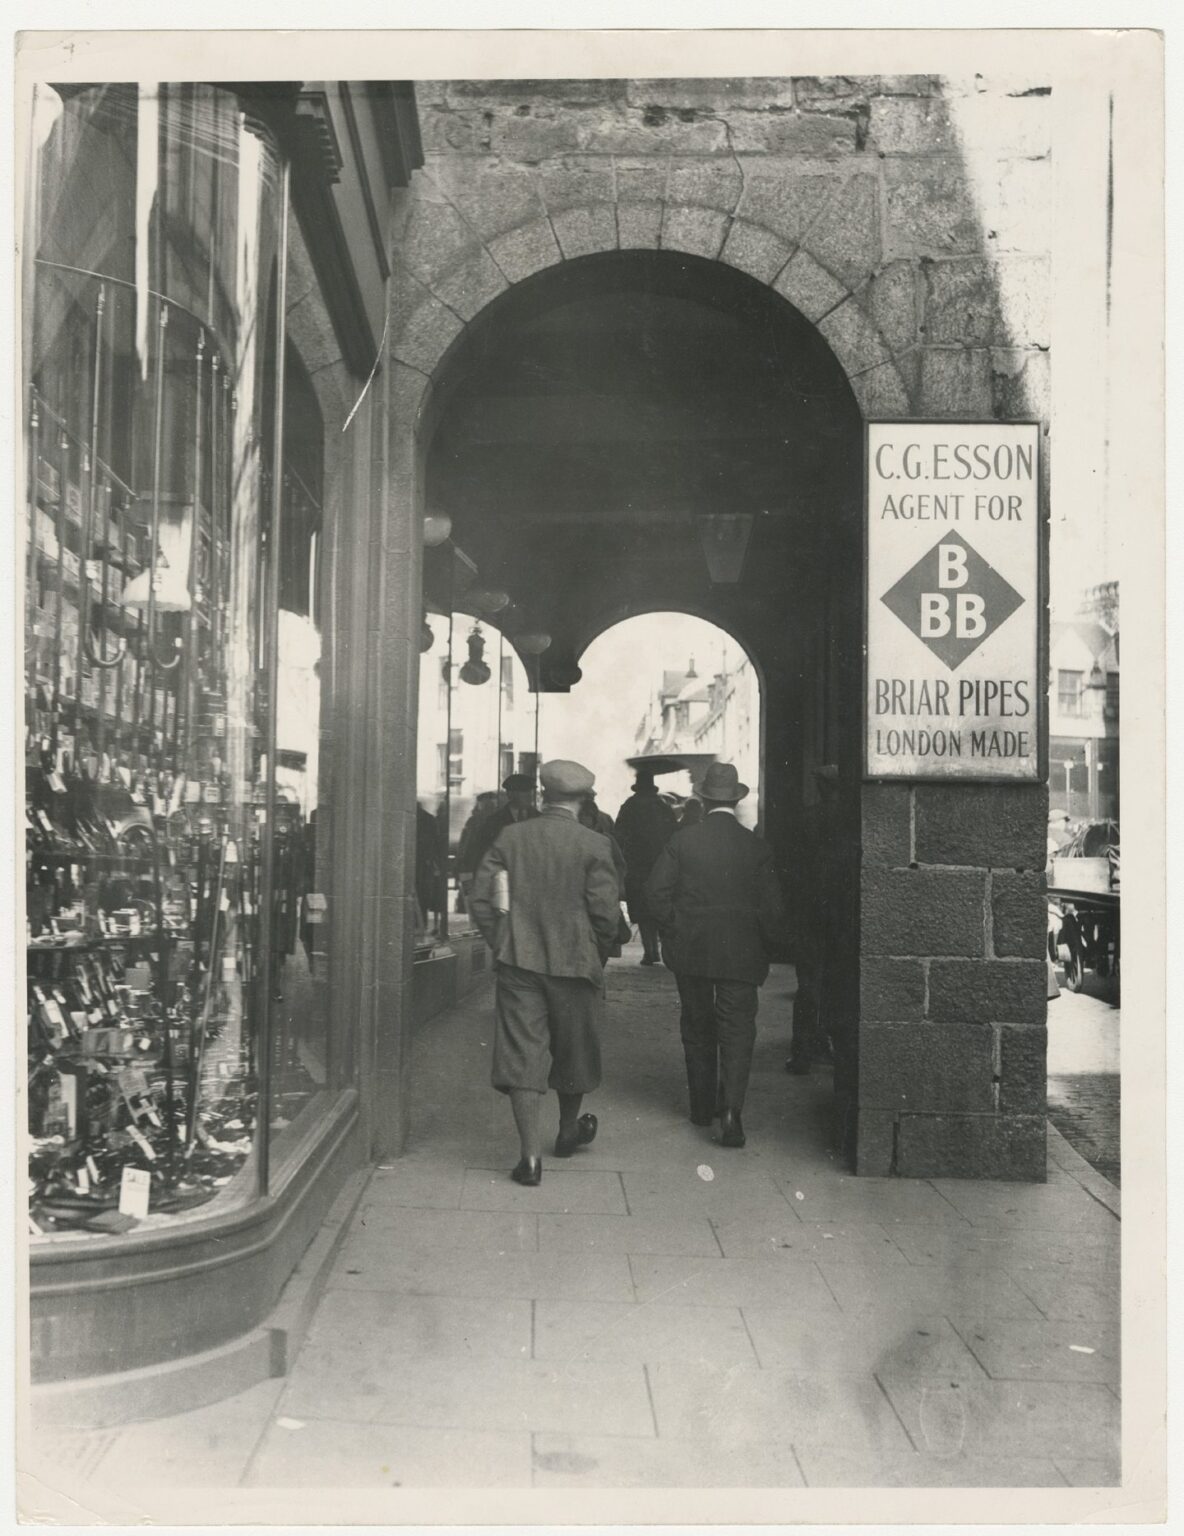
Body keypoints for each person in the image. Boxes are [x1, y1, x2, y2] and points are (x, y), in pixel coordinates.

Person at [469, 759, 622, 1186]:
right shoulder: (594, 844)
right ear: (584, 800)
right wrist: (595, 952)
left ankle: (530, 1159)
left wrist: (504, 940)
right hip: (575, 964)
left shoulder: (511, 837)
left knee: (523, 1054)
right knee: (574, 1048)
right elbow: (606, 915)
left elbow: (482, 900)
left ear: (543, 795)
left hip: (519, 962)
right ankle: (568, 1129)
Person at [645, 762, 785, 1148]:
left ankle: (700, 1106)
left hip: (692, 950)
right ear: (735, 801)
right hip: (742, 953)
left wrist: (677, 928)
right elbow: (773, 910)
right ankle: (731, 1112)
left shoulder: (682, 841)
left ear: (703, 800)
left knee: (697, 1024)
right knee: (738, 1030)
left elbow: (655, 895)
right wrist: (765, 946)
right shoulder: (756, 847)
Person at [786, 764, 843, 1075]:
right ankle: (831, 1045)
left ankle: (803, 1052)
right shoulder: (851, 819)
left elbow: (793, 869)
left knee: (808, 984)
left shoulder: (807, 819)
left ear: (823, 787)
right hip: (841, 913)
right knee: (837, 983)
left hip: (810, 912)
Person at [613, 768, 677, 964]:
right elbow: (674, 834)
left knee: (643, 911)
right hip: (662, 864)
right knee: (663, 907)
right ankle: (666, 950)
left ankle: (650, 951)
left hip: (637, 866)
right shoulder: (663, 807)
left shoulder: (630, 806)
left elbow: (619, 835)